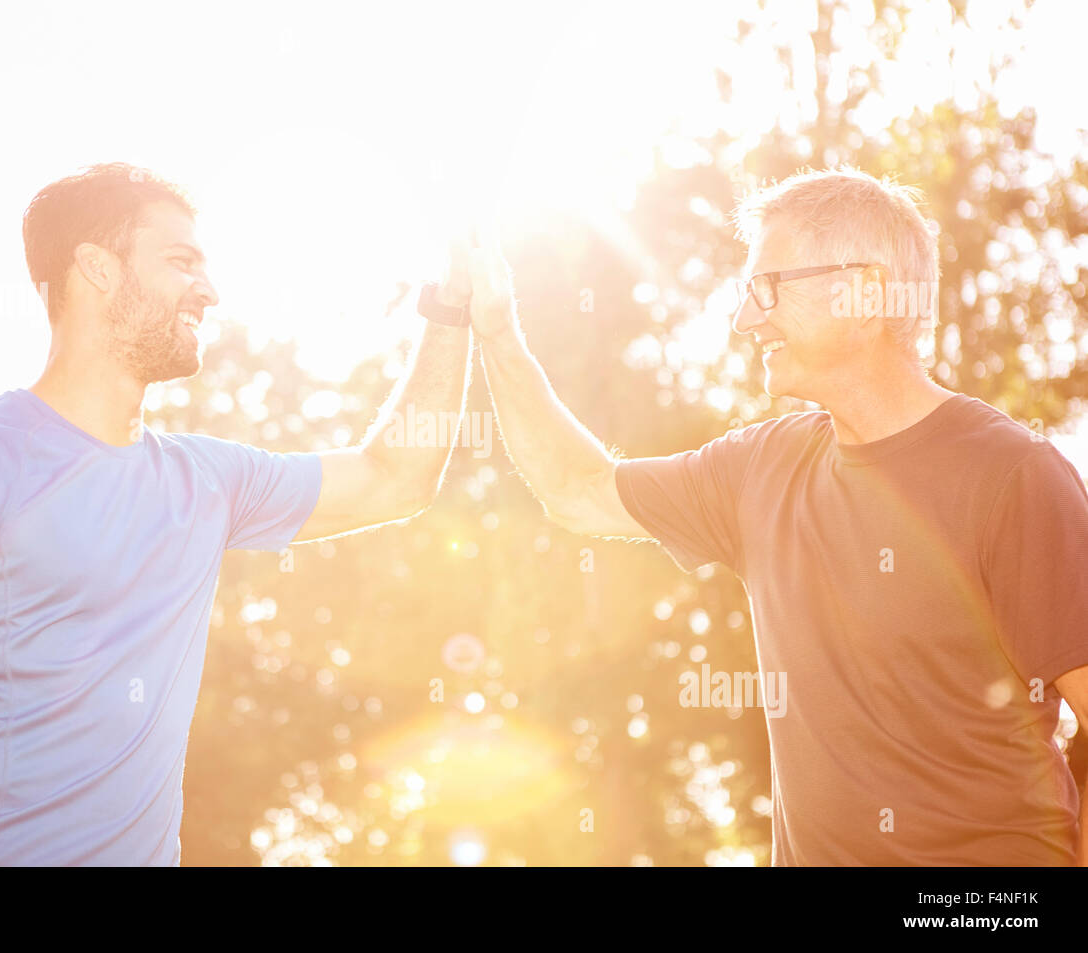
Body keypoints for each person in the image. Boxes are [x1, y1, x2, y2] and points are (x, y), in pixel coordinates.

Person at [0, 163, 474, 865]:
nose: (209, 291)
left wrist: (450, 306)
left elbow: (398, 476)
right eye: (182, 263)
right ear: (98, 269)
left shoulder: (208, 480)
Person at [463, 167, 1088, 865]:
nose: (744, 318)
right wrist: (496, 331)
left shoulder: (1014, 477)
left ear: (866, 291)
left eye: (768, 288)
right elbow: (575, 489)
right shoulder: (759, 470)